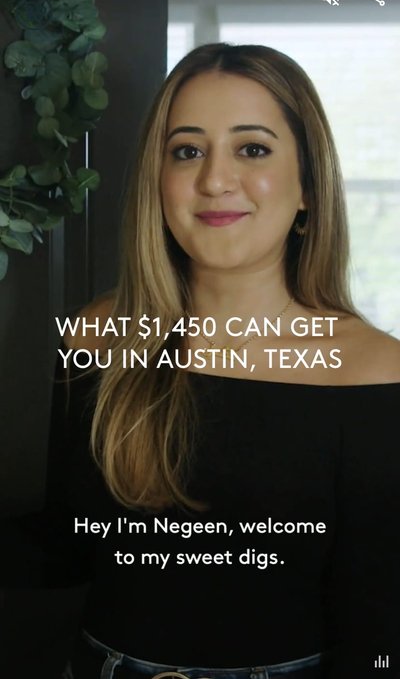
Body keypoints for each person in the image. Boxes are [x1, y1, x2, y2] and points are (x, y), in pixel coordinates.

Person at [5, 43, 400, 679]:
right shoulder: (98, 336)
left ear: (307, 187)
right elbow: (67, 547)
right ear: (157, 182)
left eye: (252, 148)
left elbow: (379, 625)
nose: (215, 179)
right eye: (187, 150)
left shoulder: (376, 371)